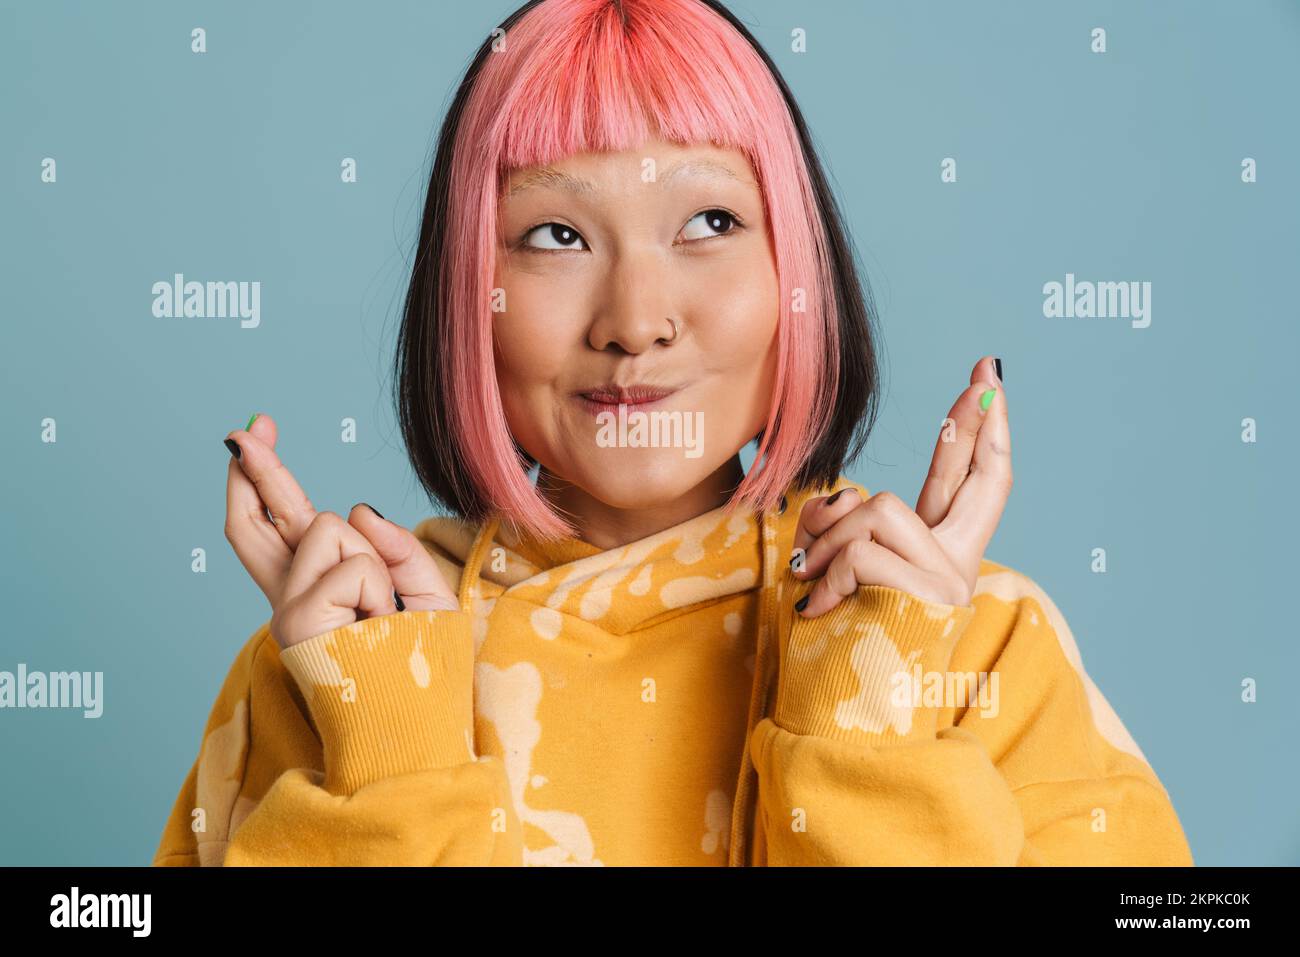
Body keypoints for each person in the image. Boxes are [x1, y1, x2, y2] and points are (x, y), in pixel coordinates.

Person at [153, 0, 1193, 866]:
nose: (635, 320)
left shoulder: (975, 643)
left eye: (708, 223)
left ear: (801, 276)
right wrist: (390, 761)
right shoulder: (342, 661)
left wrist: (870, 721)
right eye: (555, 235)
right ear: (465, 295)